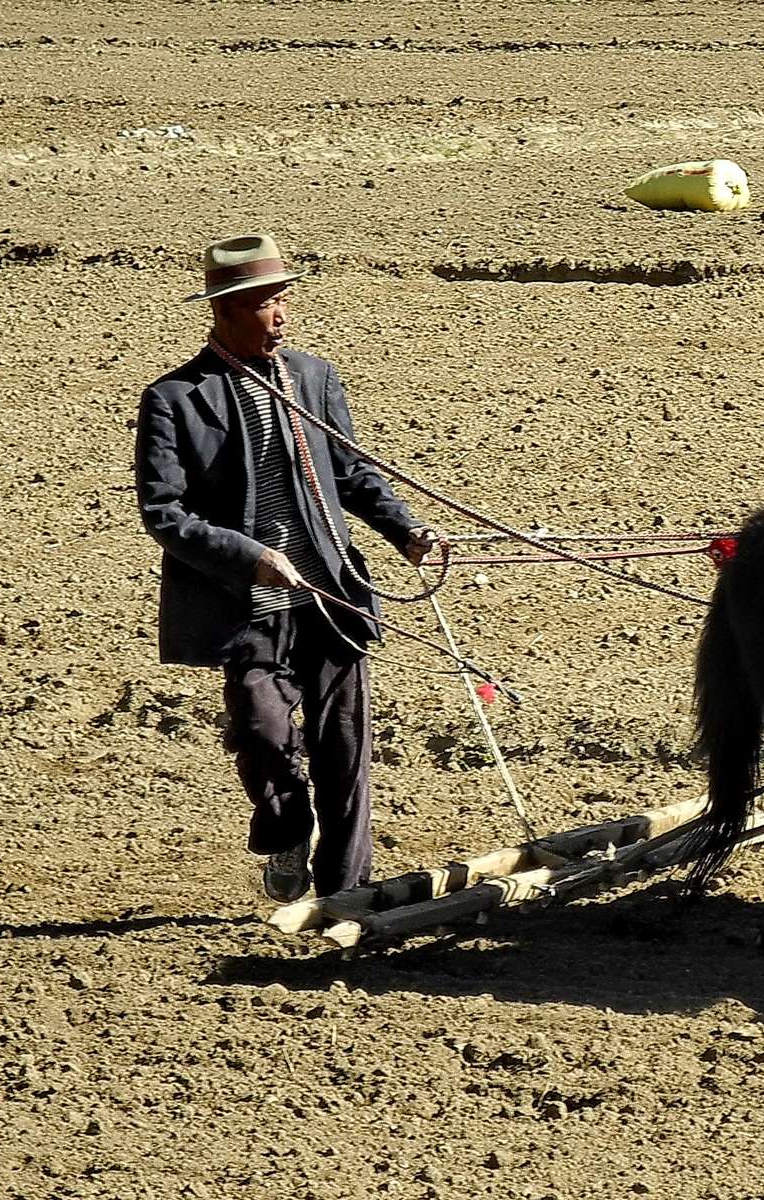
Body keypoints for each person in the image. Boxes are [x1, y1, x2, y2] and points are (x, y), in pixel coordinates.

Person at [134, 233, 442, 902]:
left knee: (345, 753)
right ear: (227, 308)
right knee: (262, 732)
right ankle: (285, 830)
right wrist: (251, 557)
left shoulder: (314, 378)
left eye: (284, 301)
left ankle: (345, 895)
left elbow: (352, 473)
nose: (282, 315)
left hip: (331, 594)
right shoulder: (175, 400)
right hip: (245, 606)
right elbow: (164, 512)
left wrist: (405, 532)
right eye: (268, 303)